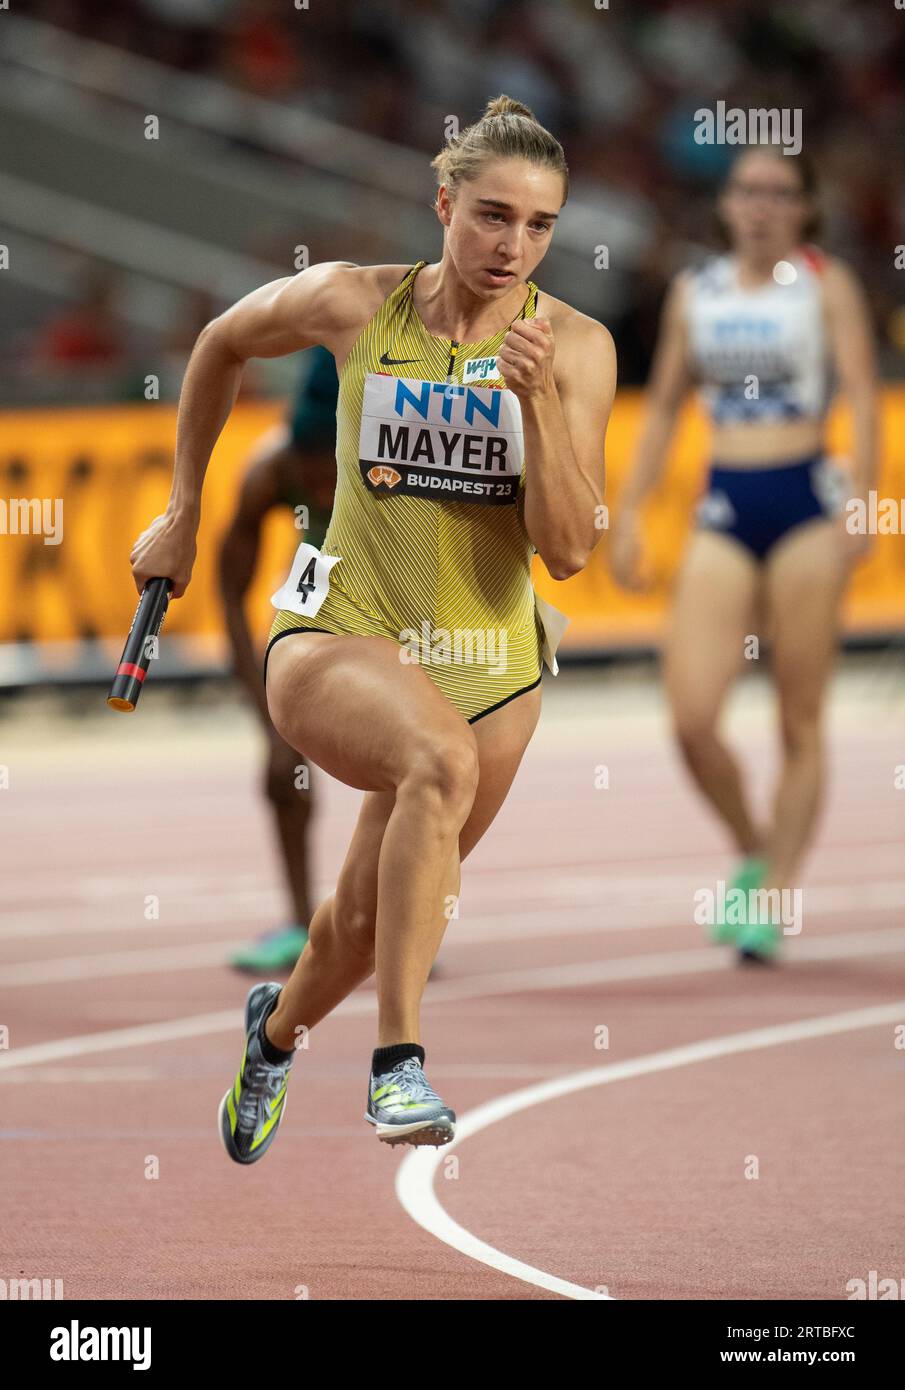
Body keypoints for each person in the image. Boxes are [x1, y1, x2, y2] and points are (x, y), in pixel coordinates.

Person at [130, 94, 615, 1157]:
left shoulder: (575, 348)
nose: (513, 246)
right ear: (443, 203)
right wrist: (182, 511)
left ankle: (275, 1033)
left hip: (490, 664)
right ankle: (398, 1067)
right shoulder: (356, 301)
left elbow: (571, 550)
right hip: (337, 628)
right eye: (492, 215)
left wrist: (536, 404)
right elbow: (219, 342)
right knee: (437, 763)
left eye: (538, 225)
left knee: (361, 924)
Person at [609, 146, 879, 962]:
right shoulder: (697, 290)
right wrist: (628, 513)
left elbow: (863, 396)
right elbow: (663, 407)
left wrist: (864, 504)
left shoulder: (825, 284)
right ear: (725, 204)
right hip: (724, 502)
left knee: (798, 714)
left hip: (803, 502)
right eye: (748, 191)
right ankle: (754, 847)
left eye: (779, 193)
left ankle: (772, 896)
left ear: (804, 208)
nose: (761, 206)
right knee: (692, 717)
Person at [219, 346, 337, 974]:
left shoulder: (392, 465)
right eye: (310, 470)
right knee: (282, 771)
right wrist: (269, 724)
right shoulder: (270, 472)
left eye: (332, 472)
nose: (320, 485)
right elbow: (230, 597)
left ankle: (393, 923)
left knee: (418, 771)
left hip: (397, 592)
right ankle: (300, 924)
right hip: (314, 590)